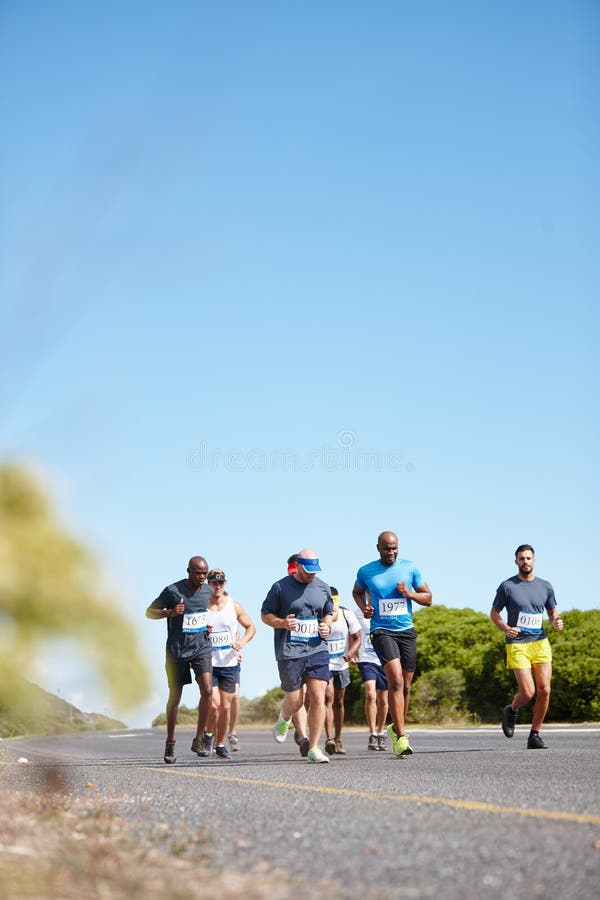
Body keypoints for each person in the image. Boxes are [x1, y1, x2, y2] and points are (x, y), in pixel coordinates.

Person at [352, 531, 432, 758]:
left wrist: (410, 594)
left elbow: (428, 598)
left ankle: (396, 728)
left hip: (406, 631)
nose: (391, 552)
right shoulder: (366, 571)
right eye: (387, 548)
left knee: (406, 686)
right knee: (395, 680)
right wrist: (365, 606)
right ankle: (402, 737)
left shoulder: (410, 568)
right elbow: (357, 591)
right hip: (381, 630)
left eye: (394, 548)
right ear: (378, 548)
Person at [261, 548, 334, 763]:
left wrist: (327, 626)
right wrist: (283, 623)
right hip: (290, 650)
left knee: (319, 697)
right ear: (299, 566)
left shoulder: (323, 587)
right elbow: (265, 615)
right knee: (295, 700)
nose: (312, 574)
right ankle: (285, 718)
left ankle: (313, 747)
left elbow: (329, 612)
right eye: (308, 569)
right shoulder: (280, 587)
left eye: (315, 570)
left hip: (317, 649)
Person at [490, 544, 564, 749]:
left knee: (545, 690)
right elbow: (494, 614)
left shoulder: (546, 586)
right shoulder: (507, 586)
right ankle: (512, 709)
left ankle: (535, 735)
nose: (525, 562)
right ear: (516, 562)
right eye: (521, 559)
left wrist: (556, 622)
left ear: (534, 560)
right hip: (517, 644)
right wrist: (506, 628)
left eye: (528, 558)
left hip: (540, 642)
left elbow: (552, 613)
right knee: (528, 692)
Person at [146, 556, 213, 764]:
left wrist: (206, 627)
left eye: (204, 573)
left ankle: (199, 739)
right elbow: (149, 613)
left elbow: (203, 614)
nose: (202, 577)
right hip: (177, 651)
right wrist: (170, 612)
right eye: (197, 573)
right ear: (188, 571)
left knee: (208, 690)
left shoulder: (208, 591)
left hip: (201, 647)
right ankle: (170, 742)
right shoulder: (172, 591)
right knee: (175, 697)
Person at [206, 569, 256, 758]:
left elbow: (251, 627)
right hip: (208, 663)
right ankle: (209, 735)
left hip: (229, 663)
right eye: (213, 583)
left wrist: (241, 643)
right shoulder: (202, 606)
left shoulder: (234, 606)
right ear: (208, 584)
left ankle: (220, 744)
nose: (217, 586)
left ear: (225, 584)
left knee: (225, 707)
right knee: (213, 705)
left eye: (220, 583)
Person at [324, 588, 361, 755]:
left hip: (342, 665)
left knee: (339, 700)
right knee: (328, 697)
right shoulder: (320, 616)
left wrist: (351, 653)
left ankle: (338, 738)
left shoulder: (346, 615)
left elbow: (357, 638)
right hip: (324, 664)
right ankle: (329, 739)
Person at [351, 604, 389, 751]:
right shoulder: (358, 614)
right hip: (366, 659)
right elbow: (353, 634)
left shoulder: (385, 610)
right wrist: (352, 652)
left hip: (384, 659)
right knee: (371, 694)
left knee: (384, 699)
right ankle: (372, 733)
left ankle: (381, 733)